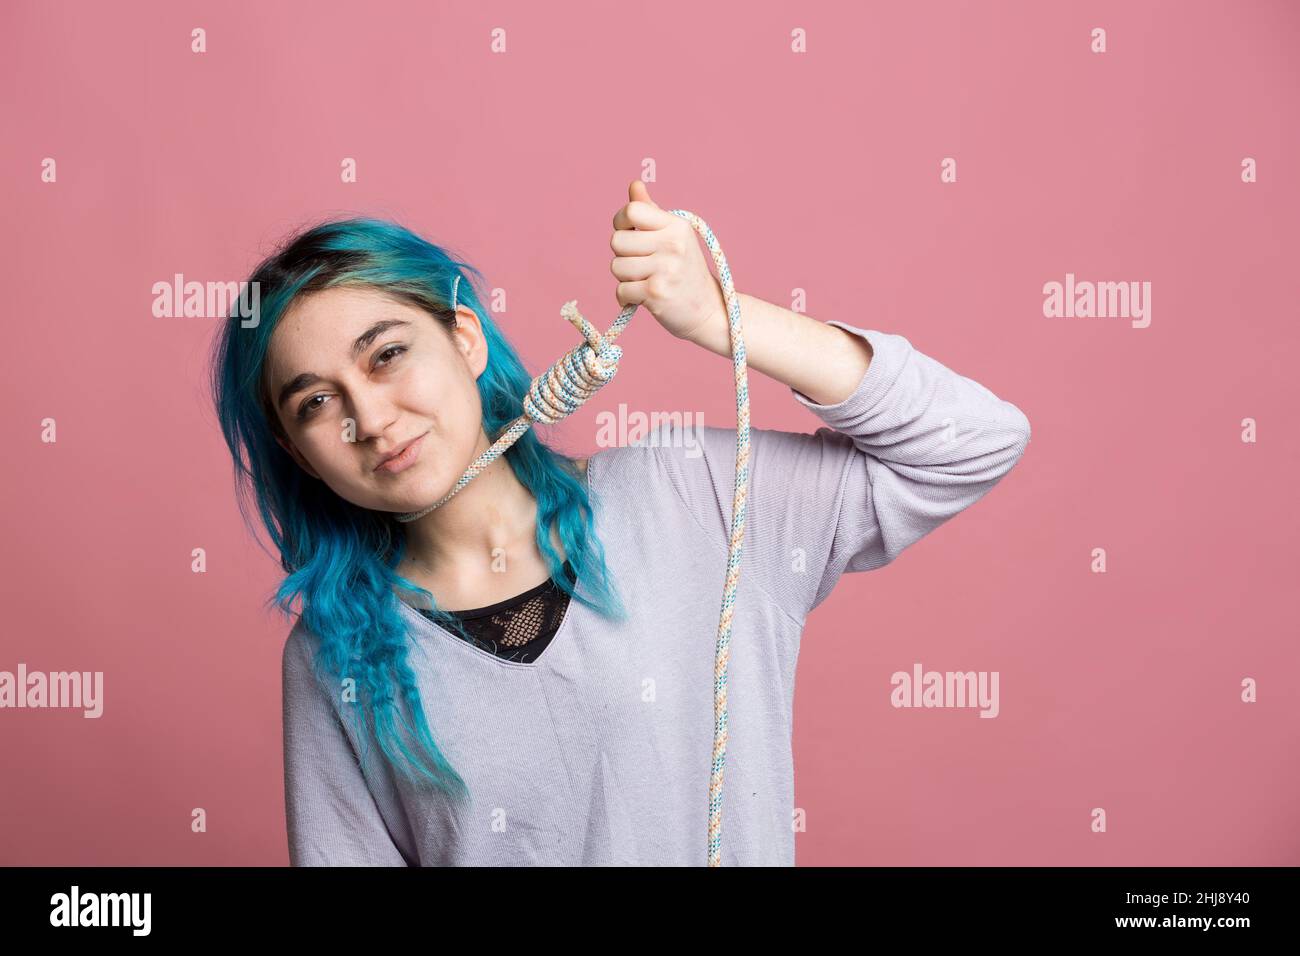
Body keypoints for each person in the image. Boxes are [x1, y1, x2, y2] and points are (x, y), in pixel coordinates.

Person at [208, 181, 1032, 866]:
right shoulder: (332, 658)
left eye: (387, 354)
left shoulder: (690, 493)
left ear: (463, 338)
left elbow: (974, 441)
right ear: (298, 448)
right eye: (317, 401)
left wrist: (720, 318)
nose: (372, 416)